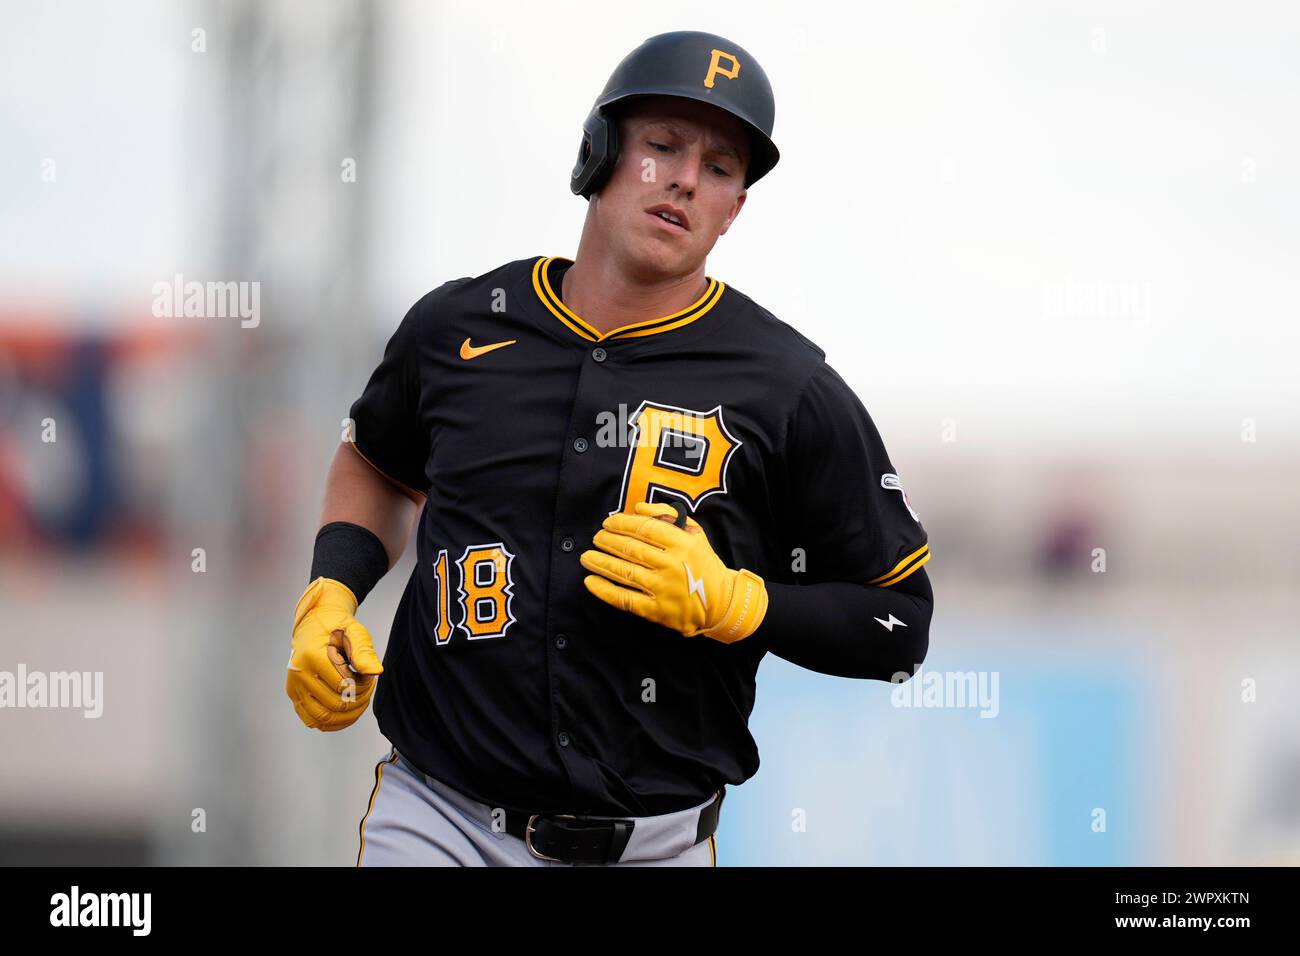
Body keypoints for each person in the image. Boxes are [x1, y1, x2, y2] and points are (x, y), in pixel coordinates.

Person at [286, 30, 933, 867]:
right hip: (438, 814)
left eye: (721, 168)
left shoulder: (787, 385)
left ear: (735, 210)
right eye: (662, 145)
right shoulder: (458, 327)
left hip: (652, 845)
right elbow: (377, 464)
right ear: (598, 152)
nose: (686, 179)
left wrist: (744, 603)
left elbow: (898, 624)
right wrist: (330, 596)